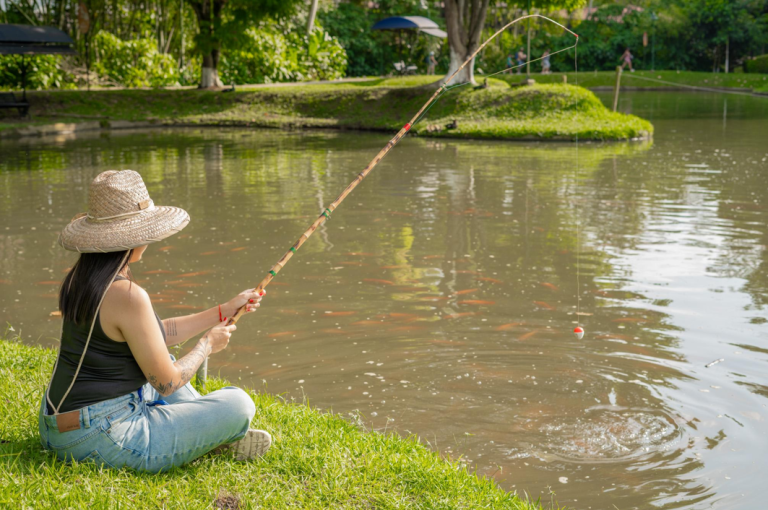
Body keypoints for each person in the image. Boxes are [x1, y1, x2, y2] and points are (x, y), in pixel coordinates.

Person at [39, 170, 271, 473]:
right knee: (238, 404)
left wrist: (223, 310)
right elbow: (167, 382)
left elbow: (157, 334)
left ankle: (201, 431)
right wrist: (207, 346)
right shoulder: (128, 295)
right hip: (101, 437)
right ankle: (209, 433)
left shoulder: (83, 279)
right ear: (133, 237)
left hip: (57, 425)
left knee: (163, 358)